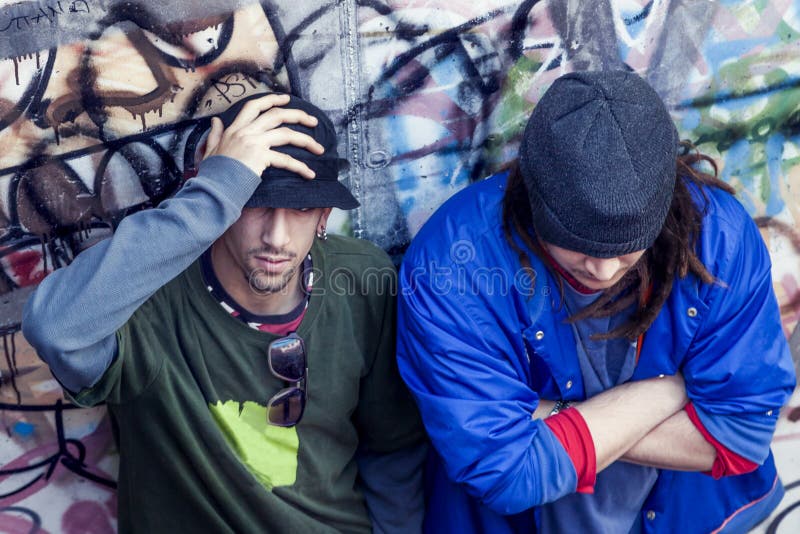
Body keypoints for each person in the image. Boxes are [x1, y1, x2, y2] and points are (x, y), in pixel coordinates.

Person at [396, 70, 796, 533]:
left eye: (627, 247)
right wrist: (668, 392)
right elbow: (507, 471)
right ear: (534, 200)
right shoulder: (454, 263)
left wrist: (544, 417)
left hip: (685, 517)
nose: (603, 270)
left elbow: (741, 436)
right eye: (577, 244)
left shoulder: (717, 236)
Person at [23, 92, 426, 533]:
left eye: (301, 208)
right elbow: (55, 329)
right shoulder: (145, 300)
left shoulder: (361, 280)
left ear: (324, 216)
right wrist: (216, 191)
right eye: (255, 202)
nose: (277, 237)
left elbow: (393, 450)